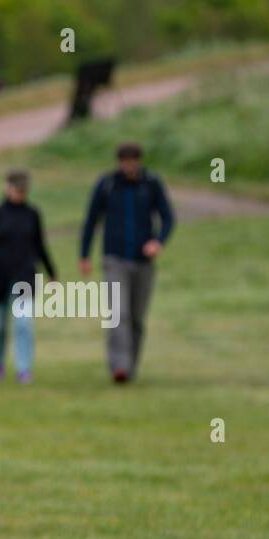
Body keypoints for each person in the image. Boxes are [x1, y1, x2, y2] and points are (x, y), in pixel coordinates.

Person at [79, 142, 175, 383]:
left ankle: (130, 365)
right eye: (125, 162)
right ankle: (119, 367)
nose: (130, 167)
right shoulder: (107, 185)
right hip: (115, 258)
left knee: (137, 318)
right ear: (119, 162)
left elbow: (168, 217)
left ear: (139, 161)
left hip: (143, 261)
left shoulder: (151, 184)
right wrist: (84, 254)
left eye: (134, 162)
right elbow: (91, 220)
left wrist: (158, 242)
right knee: (118, 313)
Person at [0, 169, 55, 384]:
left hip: (24, 277)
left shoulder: (32, 214)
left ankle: (24, 368)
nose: (20, 194)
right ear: (7, 188)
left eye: (24, 190)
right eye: (17, 190)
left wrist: (51, 272)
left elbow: (40, 245)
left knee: (23, 324)